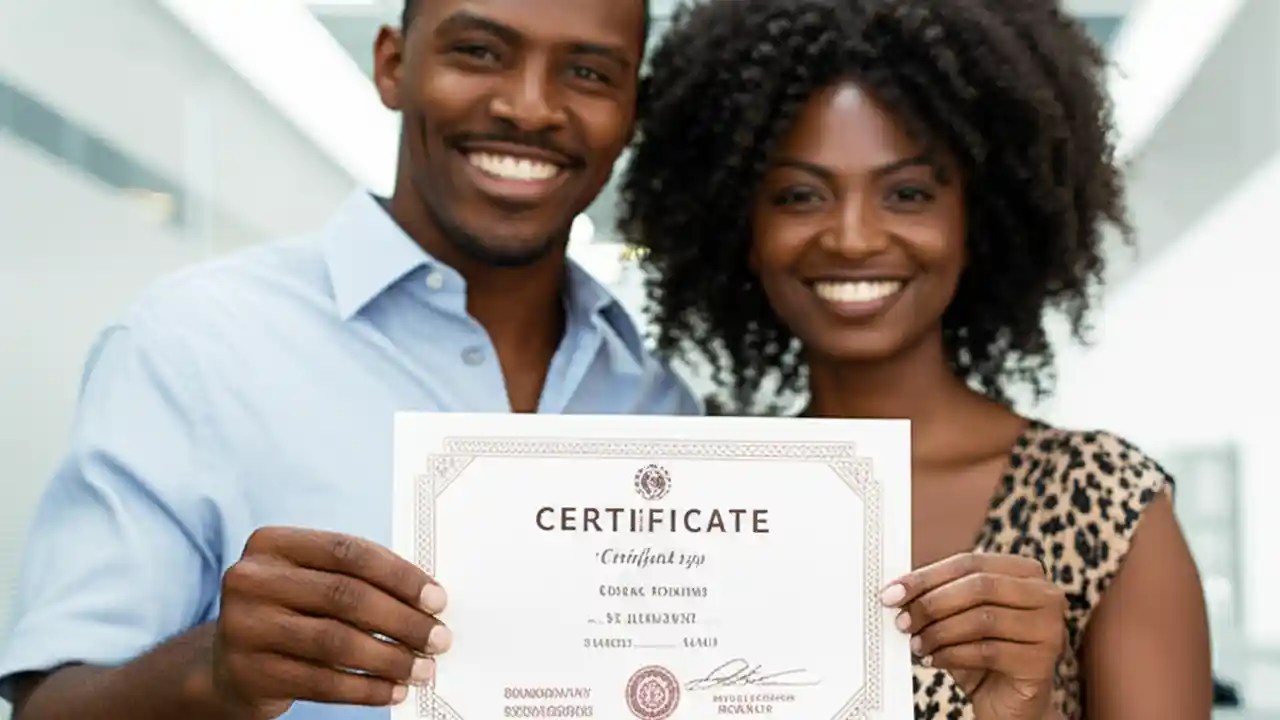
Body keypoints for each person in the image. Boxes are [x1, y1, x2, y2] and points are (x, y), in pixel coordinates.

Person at [0, 0, 693, 718]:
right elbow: (46, 708)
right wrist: (214, 672)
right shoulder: (190, 344)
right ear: (393, 65)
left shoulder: (662, 406)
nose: (529, 107)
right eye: (480, 52)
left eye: (587, 71)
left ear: (630, 111)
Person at [620, 0, 1213, 718]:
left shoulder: (1108, 504)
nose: (852, 237)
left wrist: (1023, 708)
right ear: (740, 225)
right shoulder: (687, 497)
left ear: (980, 217)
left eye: (907, 194)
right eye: (799, 194)